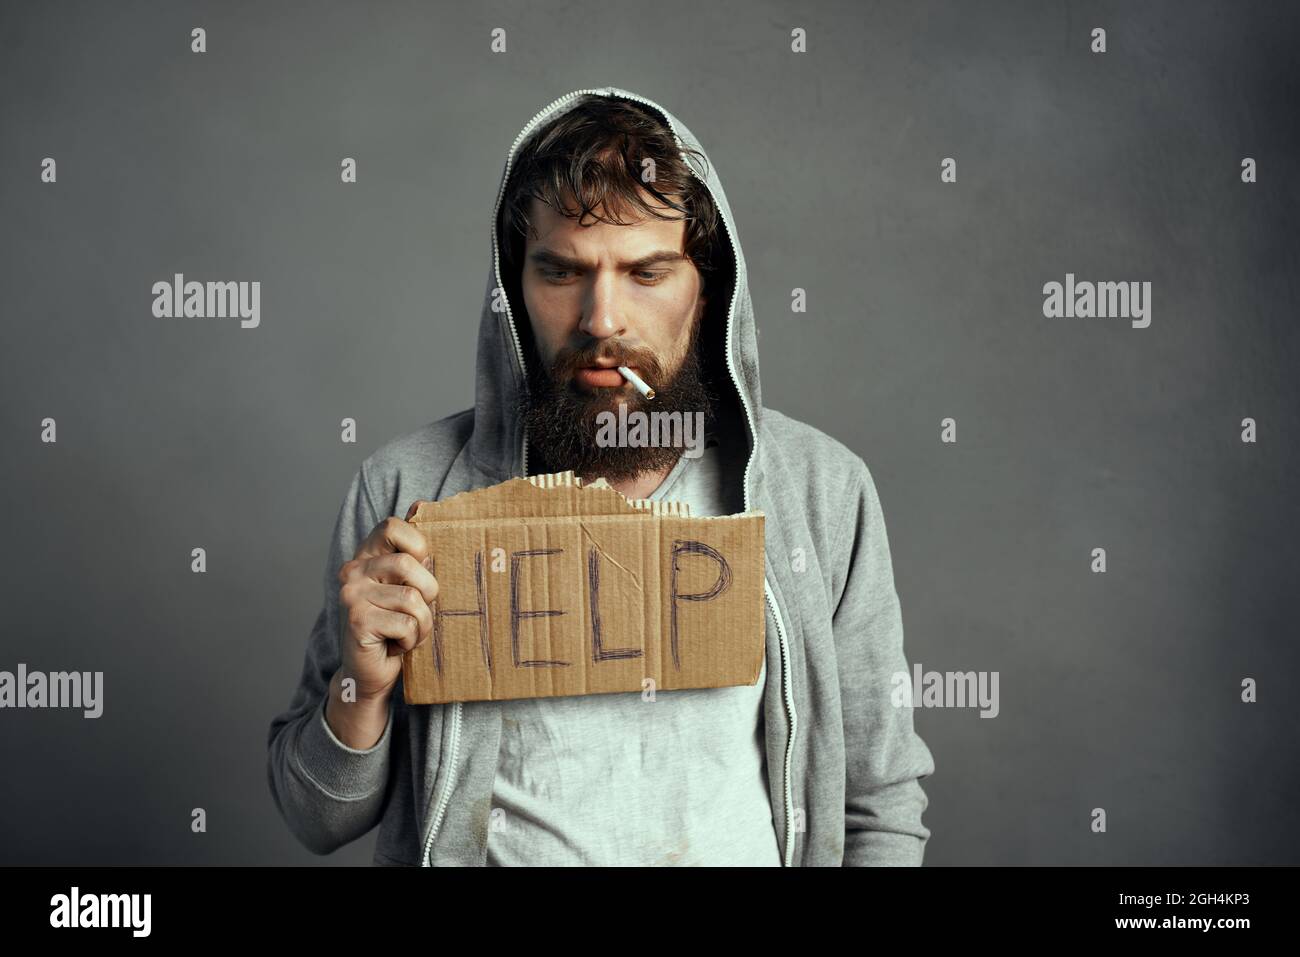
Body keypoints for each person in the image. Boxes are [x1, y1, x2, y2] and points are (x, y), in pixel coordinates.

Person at [267, 86, 935, 866]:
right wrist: (363, 688)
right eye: (561, 272)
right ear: (514, 289)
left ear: (705, 288)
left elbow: (879, 803)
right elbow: (314, 817)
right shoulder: (408, 492)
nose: (601, 320)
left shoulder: (822, 493)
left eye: (647, 273)